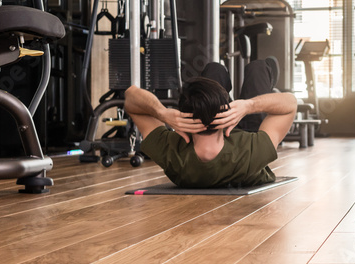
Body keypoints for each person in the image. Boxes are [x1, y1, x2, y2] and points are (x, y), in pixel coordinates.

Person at [124, 60, 297, 188]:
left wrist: (163, 113)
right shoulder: (254, 150)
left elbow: (131, 95)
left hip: (223, 131)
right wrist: (248, 105)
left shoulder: (170, 151)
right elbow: (290, 103)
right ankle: (268, 66)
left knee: (214, 69)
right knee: (258, 68)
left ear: (184, 115)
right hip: (250, 132)